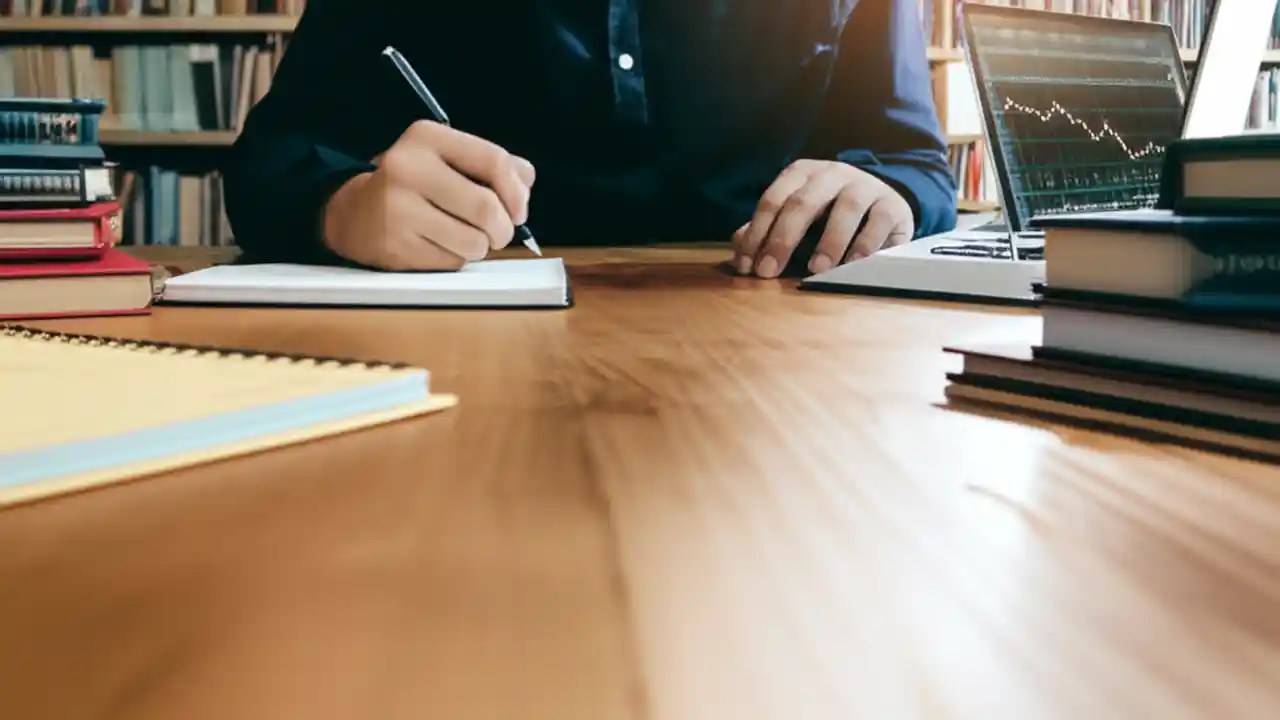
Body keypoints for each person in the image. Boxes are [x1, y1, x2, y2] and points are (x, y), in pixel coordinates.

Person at [223, 1, 956, 279]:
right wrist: (343, 206)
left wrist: (883, 193)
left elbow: (915, 164)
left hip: (788, 353)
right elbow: (269, 159)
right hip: (472, 342)